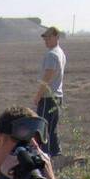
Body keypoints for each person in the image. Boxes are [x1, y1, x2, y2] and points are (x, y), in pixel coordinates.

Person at [33, 28, 64, 157]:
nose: (46, 40)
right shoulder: (60, 52)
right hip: (57, 96)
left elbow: (47, 76)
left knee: (44, 130)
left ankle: (47, 156)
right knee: (52, 128)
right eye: (45, 38)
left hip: (48, 97)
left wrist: (38, 96)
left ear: (57, 37)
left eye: (49, 37)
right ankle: (56, 153)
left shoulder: (52, 54)